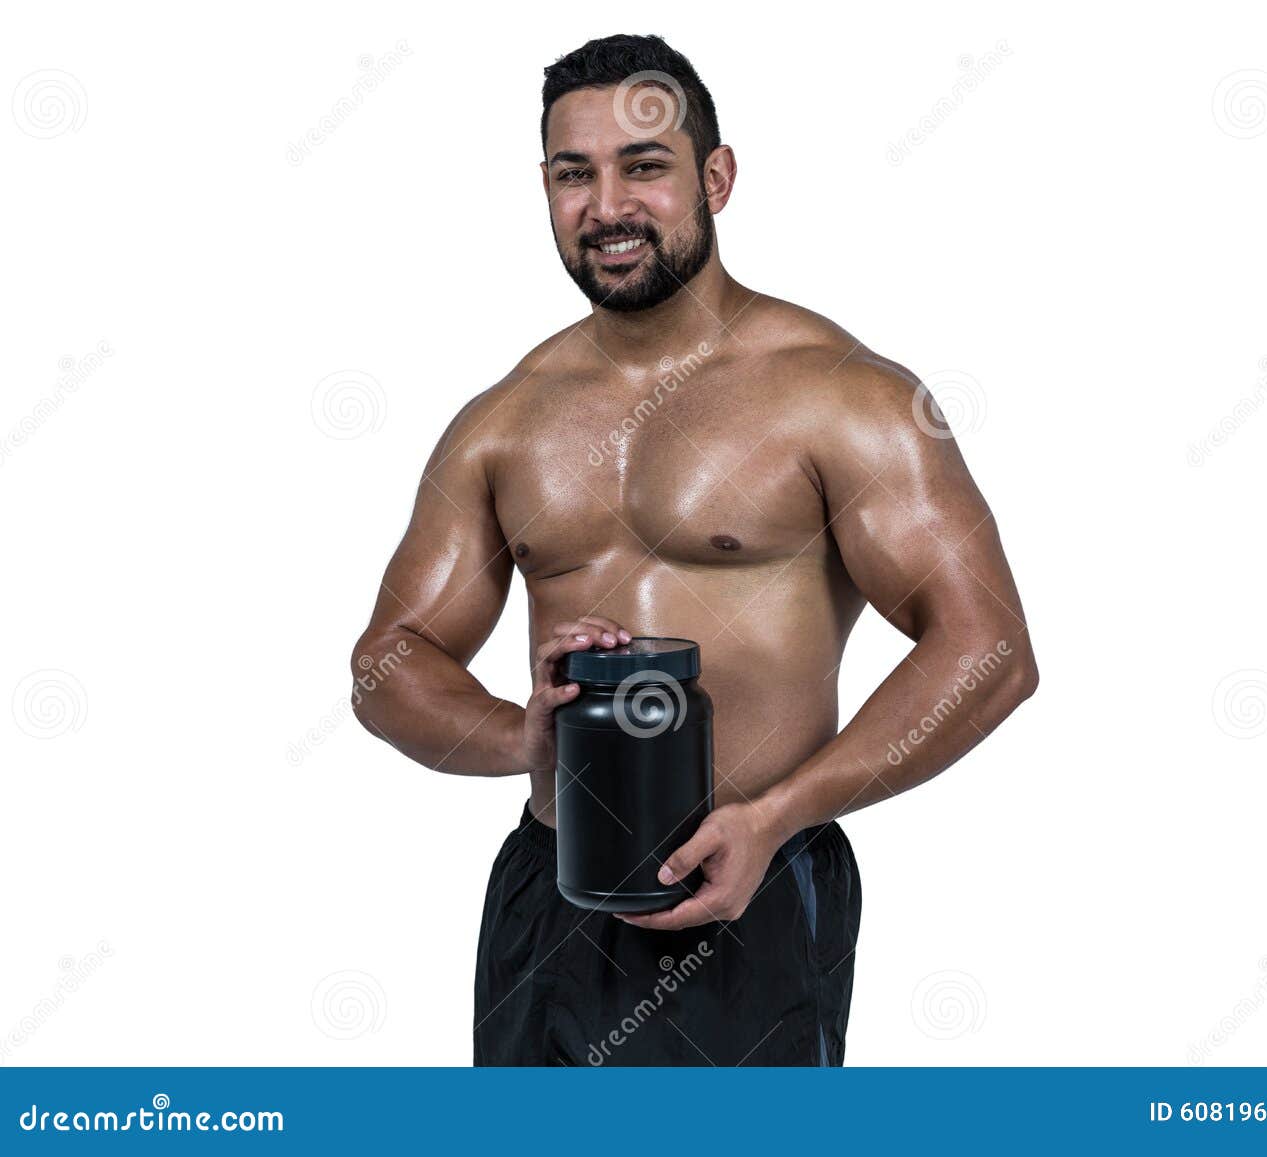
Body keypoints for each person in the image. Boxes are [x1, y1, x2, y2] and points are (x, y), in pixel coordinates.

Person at [350, 33, 1038, 1066]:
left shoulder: (842, 396)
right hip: (550, 888)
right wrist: (520, 738)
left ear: (715, 177)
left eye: (644, 166)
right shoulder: (504, 421)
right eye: (573, 173)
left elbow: (989, 651)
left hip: (752, 887)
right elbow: (386, 663)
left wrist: (776, 816)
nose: (608, 205)